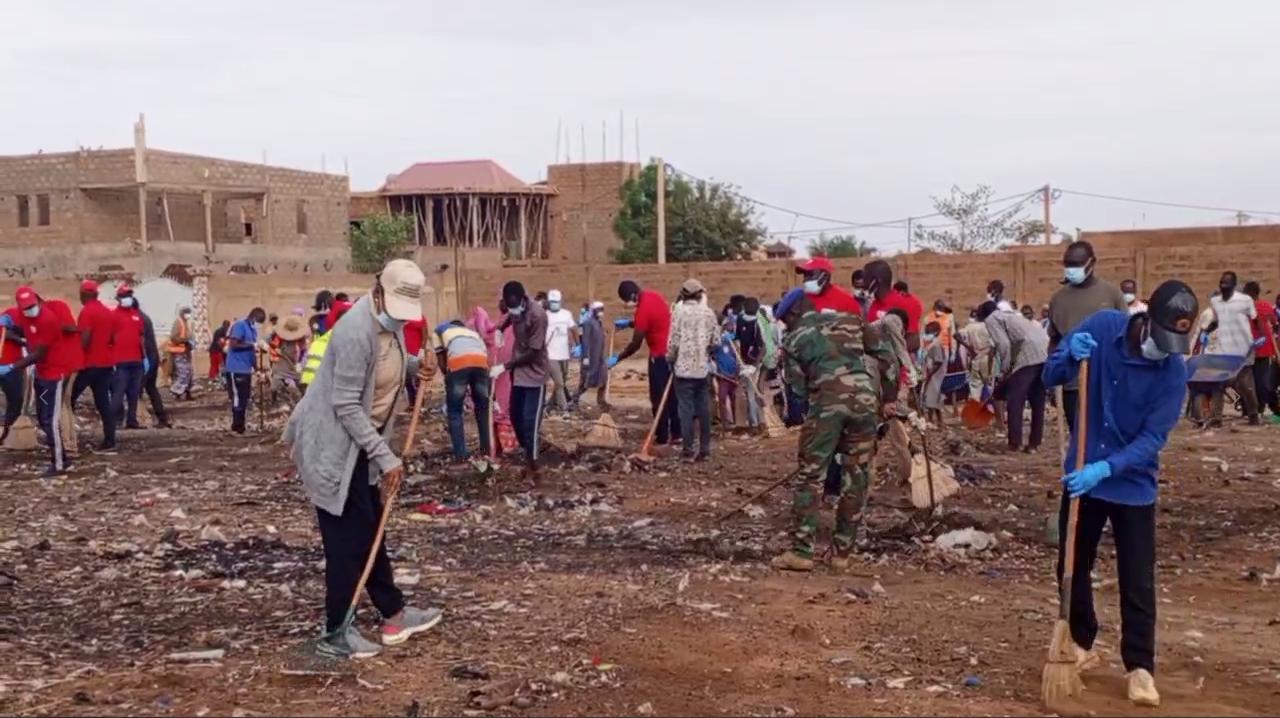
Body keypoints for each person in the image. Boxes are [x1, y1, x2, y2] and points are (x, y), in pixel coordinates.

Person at [1042, 279, 1199, 708]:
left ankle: (1140, 667)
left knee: (1137, 578)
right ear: (1146, 321)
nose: (1165, 350)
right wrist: (1068, 358)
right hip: (1082, 473)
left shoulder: (1172, 373)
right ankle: (1079, 643)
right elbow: (1049, 375)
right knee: (1072, 564)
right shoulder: (1104, 327)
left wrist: (1107, 468)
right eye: (1162, 340)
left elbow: (1153, 438)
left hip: (1131, 482)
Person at [284, 259, 441, 660]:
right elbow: (346, 404)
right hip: (336, 447)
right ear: (378, 291)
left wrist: (414, 367)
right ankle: (336, 630)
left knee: (372, 528)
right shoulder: (356, 329)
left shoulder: (392, 325)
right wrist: (385, 457)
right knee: (346, 541)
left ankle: (393, 613)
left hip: (361, 447)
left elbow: (382, 368)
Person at [772, 307, 897, 572]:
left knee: (811, 475)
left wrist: (817, 399)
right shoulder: (852, 320)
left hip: (827, 402)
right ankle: (842, 554)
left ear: (790, 317)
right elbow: (887, 357)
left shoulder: (793, 338)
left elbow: (797, 387)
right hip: (864, 399)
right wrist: (889, 398)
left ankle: (802, 551)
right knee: (857, 475)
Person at [1, 287, 83, 477]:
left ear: (37, 300)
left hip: (53, 376)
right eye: (25, 307)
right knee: (43, 418)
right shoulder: (23, 315)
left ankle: (60, 464)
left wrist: (12, 366)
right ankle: (62, 458)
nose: (29, 310)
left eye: (31, 306)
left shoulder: (48, 320)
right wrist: (8, 322)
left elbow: (39, 354)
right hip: (41, 375)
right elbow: (17, 323)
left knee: (50, 420)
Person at [1047, 240, 1128, 430]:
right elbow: (1055, 341)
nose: (1071, 269)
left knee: (1106, 436)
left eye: (1076, 264)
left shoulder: (1111, 295)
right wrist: (1053, 378)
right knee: (1079, 437)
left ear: (1092, 263)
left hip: (1106, 382)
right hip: (1072, 385)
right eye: (1068, 265)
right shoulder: (1058, 299)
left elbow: (1125, 338)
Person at [612, 280, 679, 446]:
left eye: (626, 300)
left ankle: (662, 435)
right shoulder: (654, 296)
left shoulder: (642, 310)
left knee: (658, 397)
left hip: (659, 356)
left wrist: (618, 358)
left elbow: (636, 344)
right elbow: (652, 322)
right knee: (672, 396)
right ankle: (678, 433)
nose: (628, 304)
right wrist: (630, 323)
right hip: (672, 353)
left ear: (632, 296)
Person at [496, 281, 549, 482]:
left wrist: (505, 366)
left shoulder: (537, 316)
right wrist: (501, 328)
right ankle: (529, 453)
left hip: (535, 374)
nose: (513, 311)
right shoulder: (514, 309)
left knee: (530, 423)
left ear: (523, 300)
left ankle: (534, 467)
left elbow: (534, 353)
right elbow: (510, 316)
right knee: (516, 418)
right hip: (518, 375)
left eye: (515, 307)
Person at [981, 299, 1050, 452]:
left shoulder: (992, 319)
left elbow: (1003, 344)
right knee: (1037, 400)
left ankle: (1015, 442)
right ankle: (1034, 443)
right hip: (1044, 352)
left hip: (1027, 355)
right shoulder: (1013, 316)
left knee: (1015, 401)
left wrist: (1006, 368)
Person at [665, 279, 719, 461]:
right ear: (699, 294)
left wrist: (670, 359)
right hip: (702, 369)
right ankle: (704, 450)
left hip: (682, 370)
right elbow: (716, 342)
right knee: (703, 409)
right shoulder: (709, 313)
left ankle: (687, 451)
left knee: (685, 410)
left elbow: (673, 342)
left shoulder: (678, 313)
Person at [70, 279, 117, 452]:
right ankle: (110, 440)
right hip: (105, 363)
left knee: (68, 399)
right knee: (103, 403)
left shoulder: (87, 312)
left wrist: (74, 353)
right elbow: (112, 338)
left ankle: (67, 436)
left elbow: (85, 339)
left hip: (89, 364)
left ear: (84, 294)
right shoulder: (107, 311)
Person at [434, 320, 491, 461]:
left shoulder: (439, 330)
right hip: (481, 362)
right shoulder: (473, 333)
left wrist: (449, 378)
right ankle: (486, 449)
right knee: (483, 408)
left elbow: (441, 361)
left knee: (454, 410)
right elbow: (485, 354)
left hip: (459, 362)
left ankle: (461, 454)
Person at [1207, 271, 1259, 425]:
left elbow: (1255, 320)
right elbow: (1217, 321)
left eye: (1227, 283)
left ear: (1234, 285)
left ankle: (1253, 414)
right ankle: (1216, 418)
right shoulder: (1215, 301)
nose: (1224, 286)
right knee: (1217, 384)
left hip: (1243, 349)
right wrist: (1207, 329)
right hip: (1222, 350)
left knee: (1246, 386)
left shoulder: (1245, 300)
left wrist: (1258, 339)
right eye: (1221, 283)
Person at [109, 284, 148, 431]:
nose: (127, 299)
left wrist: (144, 357)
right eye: (124, 296)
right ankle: (112, 422)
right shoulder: (113, 316)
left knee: (134, 392)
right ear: (119, 298)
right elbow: (109, 338)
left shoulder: (136, 315)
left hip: (136, 360)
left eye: (129, 296)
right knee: (118, 393)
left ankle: (132, 420)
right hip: (120, 361)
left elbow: (141, 336)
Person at [864, 260, 922, 352]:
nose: (864, 284)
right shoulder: (874, 305)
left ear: (877, 280)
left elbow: (914, 343)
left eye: (866, 279)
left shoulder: (906, 303)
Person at [226, 307, 266, 434]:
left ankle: (241, 426)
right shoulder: (240, 326)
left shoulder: (253, 330)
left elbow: (252, 353)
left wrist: (257, 369)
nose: (259, 325)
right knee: (237, 398)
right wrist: (252, 345)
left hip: (246, 369)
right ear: (253, 318)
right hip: (236, 368)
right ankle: (237, 427)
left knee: (245, 398)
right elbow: (233, 344)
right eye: (259, 321)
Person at [135, 298, 172, 429]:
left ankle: (138, 418)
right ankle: (162, 418)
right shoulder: (144, 317)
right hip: (151, 357)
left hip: (146, 358)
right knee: (151, 389)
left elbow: (142, 341)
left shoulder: (138, 319)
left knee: (137, 389)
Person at [1245, 281, 1280, 416]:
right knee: (1262, 380)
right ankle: (1259, 409)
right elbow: (1273, 325)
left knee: (1247, 381)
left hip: (1247, 349)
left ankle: (1250, 409)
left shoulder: (1244, 308)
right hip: (1265, 349)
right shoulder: (1266, 306)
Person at [544, 289, 577, 413]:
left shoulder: (566, 314)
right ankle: (564, 408)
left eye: (556, 302)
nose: (554, 304)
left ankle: (550, 404)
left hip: (564, 354)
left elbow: (573, 328)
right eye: (552, 302)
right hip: (550, 355)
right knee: (559, 383)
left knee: (562, 381)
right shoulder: (545, 315)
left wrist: (578, 345)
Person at [736, 297, 765, 428]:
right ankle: (754, 422)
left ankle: (757, 423)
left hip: (754, 363)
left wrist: (754, 366)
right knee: (747, 393)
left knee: (752, 392)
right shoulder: (741, 321)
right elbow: (737, 340)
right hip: (744, 362)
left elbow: (763, 348)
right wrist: (741, 361)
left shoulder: (757, 324)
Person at [574, 301, 608, 410]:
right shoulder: (588, 323)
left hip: (600, 357)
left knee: (603, 379)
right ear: (593, 311)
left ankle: (601, 401)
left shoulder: (599, 323)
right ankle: (574, 399)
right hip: (591, 357)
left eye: (602, 310)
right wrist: (585, 357)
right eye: (599, 310)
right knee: (586, 381)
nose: (601, 312)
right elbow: (586, 341)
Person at [270, 315, 310, 407]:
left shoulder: (301, 338)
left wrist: (300, 362)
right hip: (282, 364)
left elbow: (303, 350)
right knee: (275, 384)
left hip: (295, 365)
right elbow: (271, 345)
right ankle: (274, 401)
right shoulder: (279, 337)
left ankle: (304, 402)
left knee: (301, 384)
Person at [0, 305, 26, 444]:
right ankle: (7, 435)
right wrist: (22, 341)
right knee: (15, 401)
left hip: (12, 366)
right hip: (10, 367)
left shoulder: (12, 315)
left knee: (14, 402)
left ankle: (7, 434)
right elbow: (9, 335)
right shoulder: (11, 314)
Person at [920, 321, 946, 426]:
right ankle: (936, 420)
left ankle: (934, 420)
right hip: (932, 373)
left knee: (932, 398)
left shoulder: (936, 345)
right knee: (932, 398)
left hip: (935, 375)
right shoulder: (931, 344)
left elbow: (938, 361)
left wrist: (930, 374)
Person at [167, 306, 195, 400]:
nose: (188, 315)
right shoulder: (178, 323)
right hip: (178, 352)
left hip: (185, 352)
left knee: (189, 373)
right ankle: (177, 392)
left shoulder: (186, 323)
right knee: (182, 373)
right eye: (187, 313)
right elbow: (173, 337)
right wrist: (184, 341)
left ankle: (187, 392)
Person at [401, 316, 426, 408]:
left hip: (415, 353)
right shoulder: (400, 316)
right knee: (406, 380)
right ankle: (412, 404)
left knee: (417, 380)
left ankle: (420, 404)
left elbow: (424, 334)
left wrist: (422, 350)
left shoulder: (419, 317)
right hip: (403, 353)